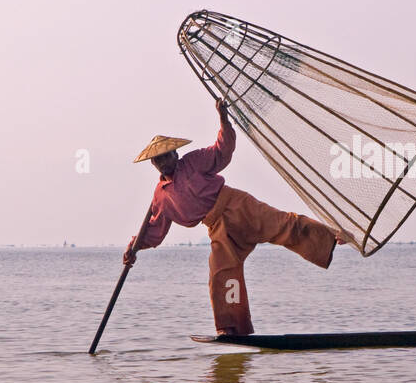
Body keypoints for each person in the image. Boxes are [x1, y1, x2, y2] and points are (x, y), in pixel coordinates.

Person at [124, 99, 347, 336]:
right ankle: (232, 328)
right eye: (157, 160)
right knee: (221, 274)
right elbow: (155, 231)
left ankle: (332, 237)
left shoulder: (193, 161)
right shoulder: (160, 195)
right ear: (152, 164)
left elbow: (222, 151)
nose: (162, 162)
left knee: (284, 225)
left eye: (166, 156)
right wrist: (133, 248)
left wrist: (223, 119)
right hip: (218, 228)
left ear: (176, 154)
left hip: (236, 206)